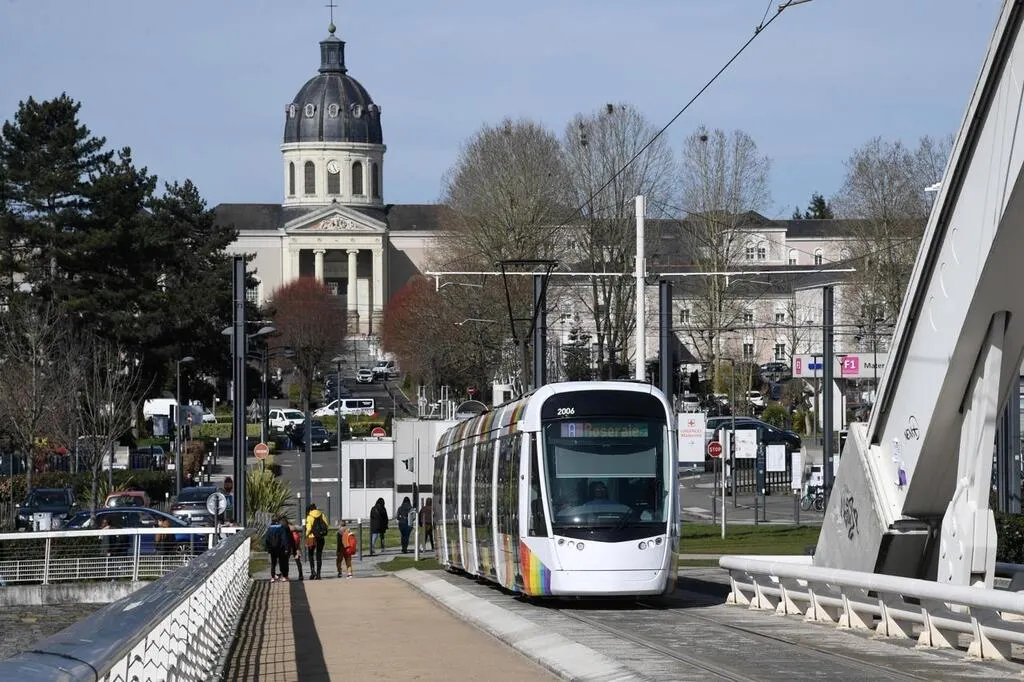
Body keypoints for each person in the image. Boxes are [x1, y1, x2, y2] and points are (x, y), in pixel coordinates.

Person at [264, 515, 293, 582]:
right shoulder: (281, 528)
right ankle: (284, 576)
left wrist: (268, 548)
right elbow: (284, 539)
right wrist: (286, 548)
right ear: (277, 521)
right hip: (280, 548)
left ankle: (273, 577)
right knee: (281, 562)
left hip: (272, 549)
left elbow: (266, 539)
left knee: (273, 563)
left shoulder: (269, 529)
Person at [304, 503, 329, 580]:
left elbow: (308, 528)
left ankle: (312, 571)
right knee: (319, 555)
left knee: (311, 555)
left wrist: (306, 535)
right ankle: (318, 574)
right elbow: (326, 525)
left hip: (312, 537)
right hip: (321, 537)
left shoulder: (309, 516)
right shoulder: (322, 515)